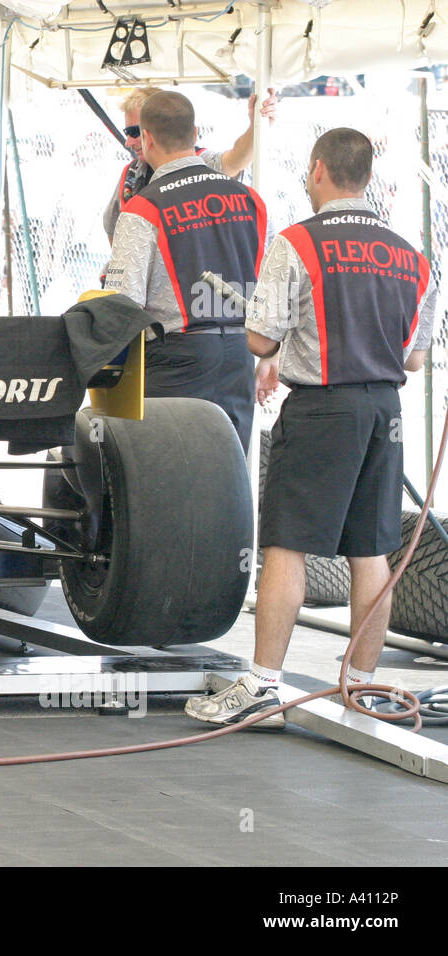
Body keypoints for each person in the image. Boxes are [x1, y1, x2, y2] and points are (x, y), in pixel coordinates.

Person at [186, 128, 437, 728]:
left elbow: (260, 338)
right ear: (367, 178)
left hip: (322, 409)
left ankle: (264, 685)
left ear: (320, 170)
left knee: (287, 544)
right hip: (384, 410)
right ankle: (364, 688)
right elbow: (415, 359)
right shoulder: (413, 256)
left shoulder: (295, 244)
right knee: (372, 548)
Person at [103, 90, 267, 453]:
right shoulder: (249, 198)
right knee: (229, 474)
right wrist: (270, 354)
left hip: (177, 357)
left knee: (170, 480)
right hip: (240, 351)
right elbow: (272, 281)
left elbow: (122, 304)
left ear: (147, 138)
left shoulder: (144, 205)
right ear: (194, 134)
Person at [104, 86, 275, 242]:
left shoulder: (200, 163)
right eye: (127, 132)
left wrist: (257, 125)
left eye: (135, 132)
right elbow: (112, 229)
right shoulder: (130, 175)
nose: (128, 142)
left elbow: (236, 160)